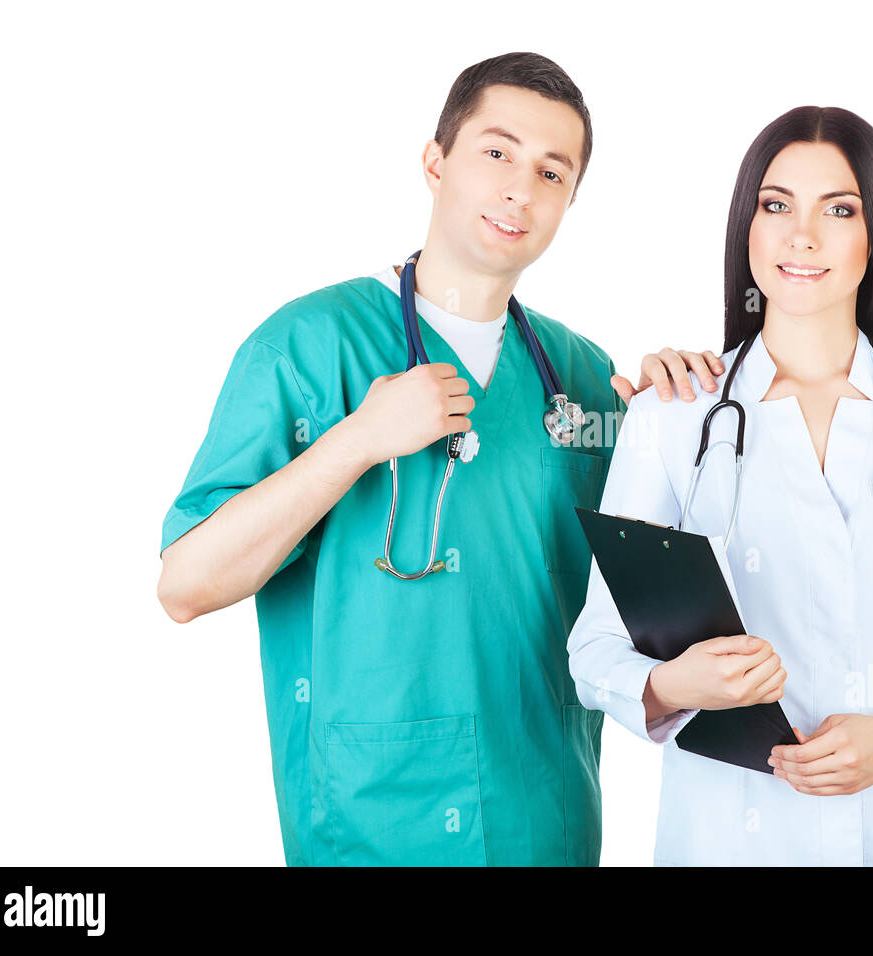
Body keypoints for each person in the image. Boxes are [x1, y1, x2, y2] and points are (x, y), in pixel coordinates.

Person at [156, 52, 723, 866]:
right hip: (367, 825)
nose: (519, 189)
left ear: (569, 202)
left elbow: (666, 613)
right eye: (497, 152)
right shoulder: (309, 345)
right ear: (435, 162)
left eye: (551, 172)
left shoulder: (589, 383)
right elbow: (184, 584)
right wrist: (356, 440)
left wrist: (684, 424)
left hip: (546, 818)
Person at [567, 105, 873, 866]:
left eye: (838, 209)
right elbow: (595, 652)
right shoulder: (671, 416)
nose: (801, 235)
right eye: (776, 206)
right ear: (749, 227)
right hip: (731, 832)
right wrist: (672, 683)